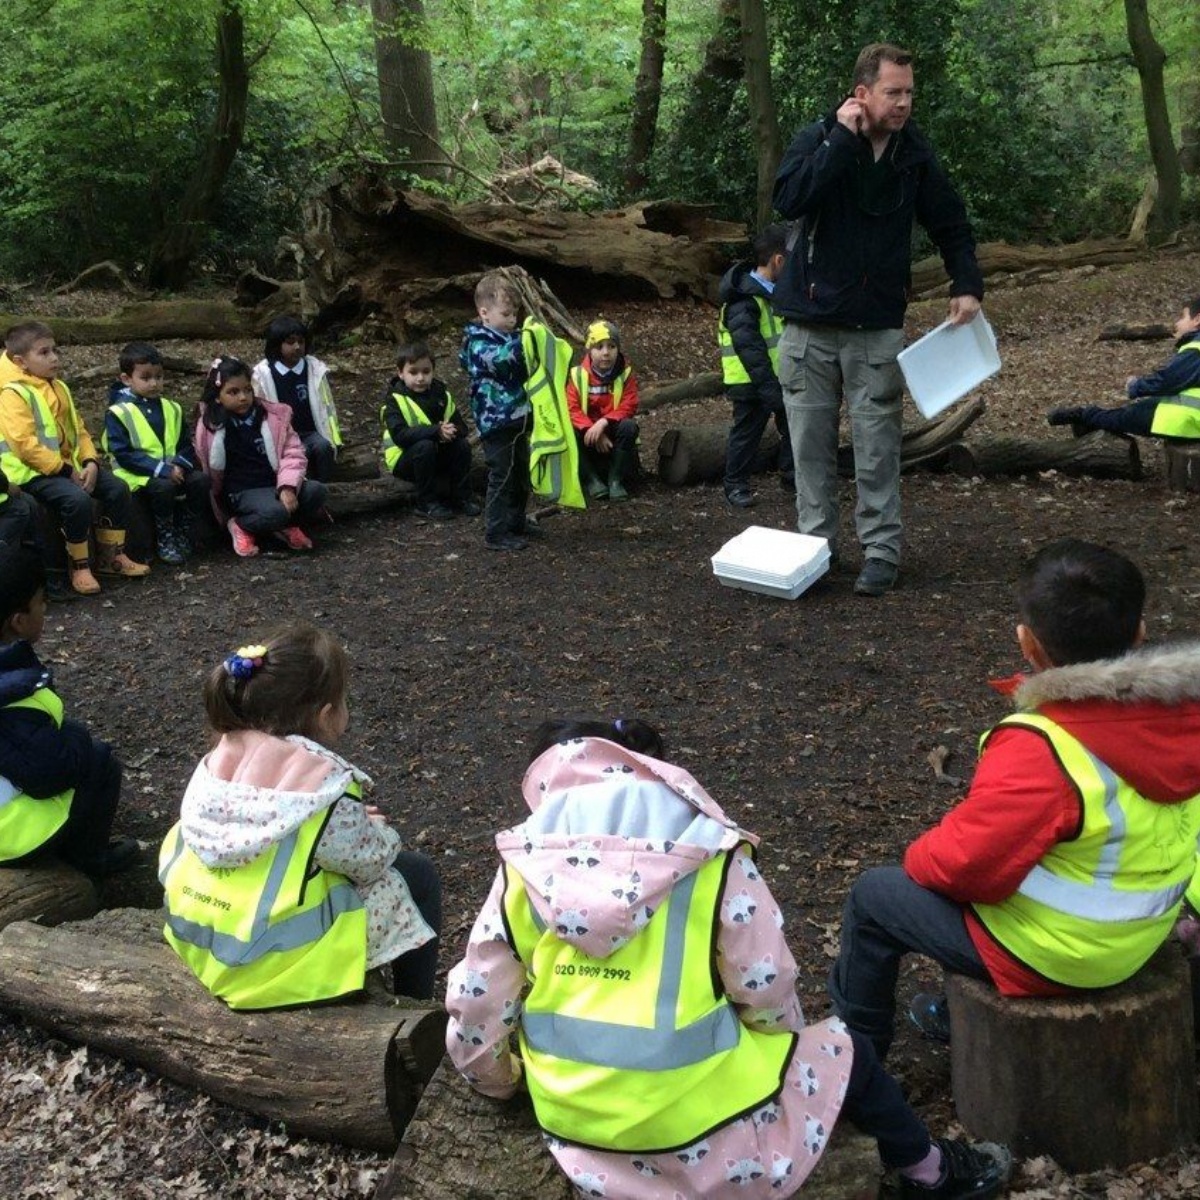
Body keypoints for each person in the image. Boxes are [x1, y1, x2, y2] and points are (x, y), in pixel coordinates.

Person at [446, 717, 1012, 1200]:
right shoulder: (712, 857)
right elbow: (765, 990)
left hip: (572, 1123)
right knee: (851, 1052)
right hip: (699, 1122)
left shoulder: (521, 869)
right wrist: (782, 1050)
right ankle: (929, 1172)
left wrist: (498, 1081)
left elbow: (478, 1002)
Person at [829, 539, 1200, 1064]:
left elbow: (963, 868)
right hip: (1144, 934)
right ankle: (952, 1014)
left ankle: (854, 1069)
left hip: (1063, 955)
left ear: (1028, 644)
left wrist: (919, 856)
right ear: (1140, 634)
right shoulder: (1185, 716)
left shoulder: (1045, 745)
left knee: (875, 898)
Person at [772, 43, 983, 597]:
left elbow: (952, 223)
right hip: (809, 326)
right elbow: (789, 200)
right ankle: (815, 551)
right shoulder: (819, 139)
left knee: (877, 447)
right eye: (894, 91)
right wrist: (842, 140)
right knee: (810, 448)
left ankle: (881, 552)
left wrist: (966, 284)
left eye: (910, 92)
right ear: (862, 92)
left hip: (876, 327)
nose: (905, 103)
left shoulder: (914, 156)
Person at [159, 623, 441, 1010]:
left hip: (202, 933)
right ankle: (416, 1008)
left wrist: (341, 823)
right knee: (417, 875)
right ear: (326, 715)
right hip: (271, 964)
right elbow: (370, 860)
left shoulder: (220, 759)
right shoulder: (318, 786)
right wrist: (375, 828)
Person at [0, 544, 139, 875]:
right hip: (12, 835)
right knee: (99, 760)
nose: (44, 609)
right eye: (40, 604)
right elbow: (51, 773)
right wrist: (75, 735)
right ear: (18, 622)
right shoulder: (13, 693)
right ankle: (88, 862)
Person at [0, 321, 150, 595]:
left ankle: (111, 556)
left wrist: (91, 462)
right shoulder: (13, 393)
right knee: (76, 499)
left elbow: (78, 430)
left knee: (117, 488)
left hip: (69, 465)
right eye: (44, 353)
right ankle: (79, 565)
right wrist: (66, 470)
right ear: (21, 361)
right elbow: (25, 445)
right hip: (32, 472)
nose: (54, 358)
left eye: (54, 350)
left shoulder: (59, 387)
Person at [193, 356, 328, 558]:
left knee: (316, 491)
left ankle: (284, 526)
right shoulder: (211, 426)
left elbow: (293, 453)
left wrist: (287, 486)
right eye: (233, 392)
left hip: (275, 484)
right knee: (276, 512)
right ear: (217, 395)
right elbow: (205, 461)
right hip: (242, 491)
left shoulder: (271, 416)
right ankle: (241, 525)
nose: (243, 397)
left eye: (248, 390)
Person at [103, 341, 211, 565]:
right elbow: (123, 453)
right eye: (146, 377)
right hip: (138, 474)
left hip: (173, 469)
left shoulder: (172, 407)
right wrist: (161, 469)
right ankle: (166, 533)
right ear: (127, 379)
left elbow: (184, 443)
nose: (154, 383)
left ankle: (184, 527)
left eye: (159, 376)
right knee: (163, 487)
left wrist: (180, 464)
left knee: (200, 480)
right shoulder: (119, 412)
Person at [460, 272, 539, 551]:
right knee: (501, 475)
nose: (512, 319)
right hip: (495, 422)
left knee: (520, 475)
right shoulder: (478, 343)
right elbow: (502, 361)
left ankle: (516, 521)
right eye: (506, 313)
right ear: (484, 312)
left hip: (518, 416)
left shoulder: (512, 337)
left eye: (515, 313)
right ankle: (496, 530)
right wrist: (526, 340)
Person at [1047, 295, 1200, 437]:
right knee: (1142, 407)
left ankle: (1084, 415)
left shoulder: (1196, 348)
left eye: (1183, 317)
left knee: (1130, 415)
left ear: (1197, 319)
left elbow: (1167, 380)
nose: (1177, 323)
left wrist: (1136, 386)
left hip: (1190, 419)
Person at [719, 225, 795, 508]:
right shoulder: (744, 299)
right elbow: (750, 349)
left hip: (775, 377)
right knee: (747, 433)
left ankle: (792, 477)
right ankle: (735, 484)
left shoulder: (772, 293)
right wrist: (769, 389)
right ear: (778, 261)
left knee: (792, 427)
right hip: (749, 381)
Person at [380, 341, 480, 519]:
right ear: (400, 373)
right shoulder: (394, 400)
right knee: (424, 446)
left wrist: (450, 431)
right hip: (404, 460)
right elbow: (400, 436)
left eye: (426, 372)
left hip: (436, 454)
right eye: (413, 372)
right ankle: (427, 503)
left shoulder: (442, 394)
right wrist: (436, 431)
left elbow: (462, 427)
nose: (420, 378)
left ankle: (461, 497)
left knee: (462, 445)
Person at [250, 316, 341, 482]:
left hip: (312, 431)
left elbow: (327, 407)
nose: (297, 347)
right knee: (300, 453)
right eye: (290, 342)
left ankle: (326, 488)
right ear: (277, 345)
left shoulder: (314, 369)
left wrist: (334, 437)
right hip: (284, 435)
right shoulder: (264, 374)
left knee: (323, 448)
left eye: (301, 341)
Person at [565, 320, 640, 502]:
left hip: (611, 428)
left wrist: (604, 422)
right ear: (589, 350)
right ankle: (592, 480)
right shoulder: (577, 375)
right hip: (587, 432)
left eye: (612, 346)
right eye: (599, 347)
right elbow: (572, 408)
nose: (606, 353)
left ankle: (615, 480)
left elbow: (629, 404)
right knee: (568, 431)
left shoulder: (625, 373)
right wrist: (593, 430)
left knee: (630, 427)